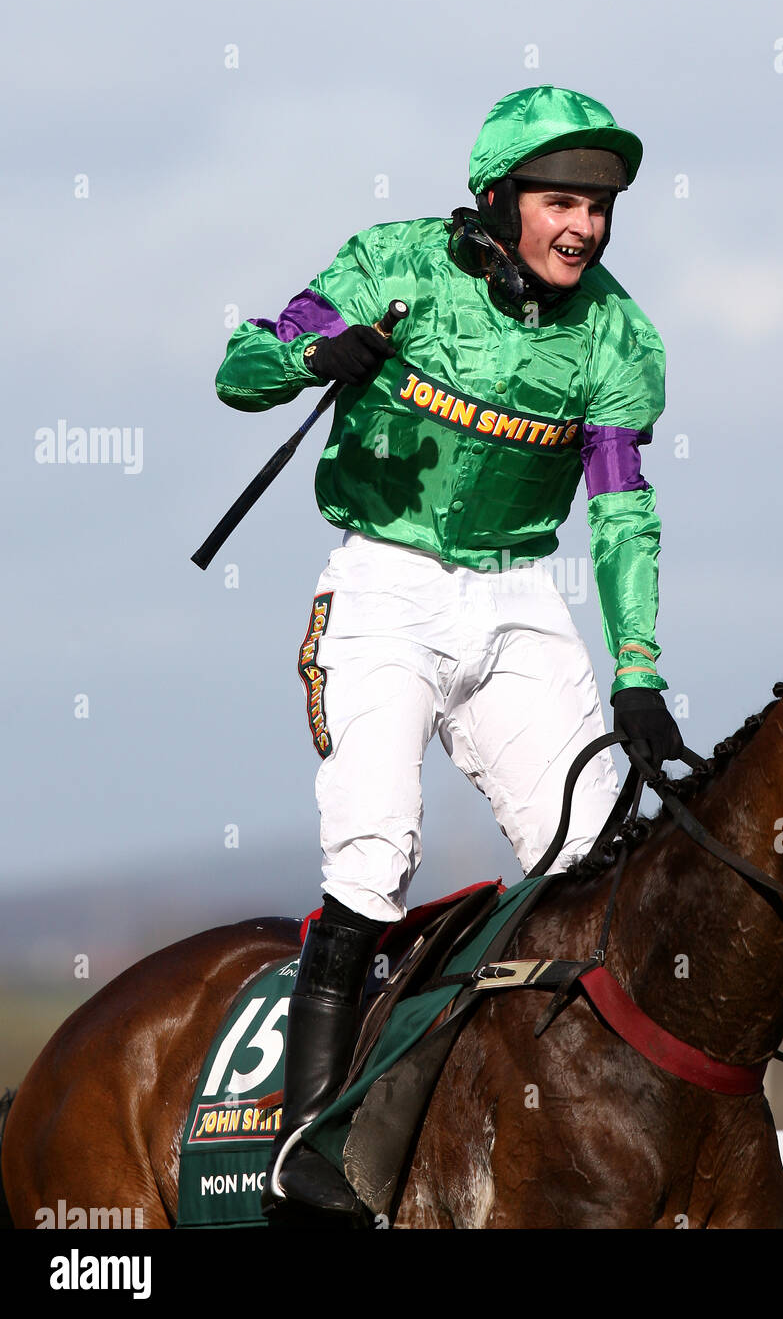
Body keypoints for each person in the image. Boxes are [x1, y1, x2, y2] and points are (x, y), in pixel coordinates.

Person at [214, 85, 684, 1217]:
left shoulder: (619, 338)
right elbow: (240, 367)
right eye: (562, 202)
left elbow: (621, 512)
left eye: (601, 208)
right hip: (383, 584)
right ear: (496, 200)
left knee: (598, 861)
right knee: (377, 854)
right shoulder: (393, 263)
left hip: (521, 596)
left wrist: (637, 671)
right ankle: (305, 1150)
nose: (585, 228)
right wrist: (316, 349)